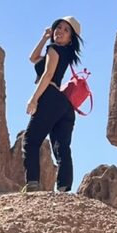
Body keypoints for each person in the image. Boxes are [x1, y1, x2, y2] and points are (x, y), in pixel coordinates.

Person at [23, 16, 82, 192]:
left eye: (66, 30)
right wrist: (44, 37)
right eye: (59, 27)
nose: (60, 31)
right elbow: (33, 58)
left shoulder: (54, 49)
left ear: (71, 38)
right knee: (61, 146)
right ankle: (64, 188)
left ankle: (32, 184)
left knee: (30, 140)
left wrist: (34, 98)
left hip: (49, 97)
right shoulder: (63, 52)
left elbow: (47, 75)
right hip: (65, 105)